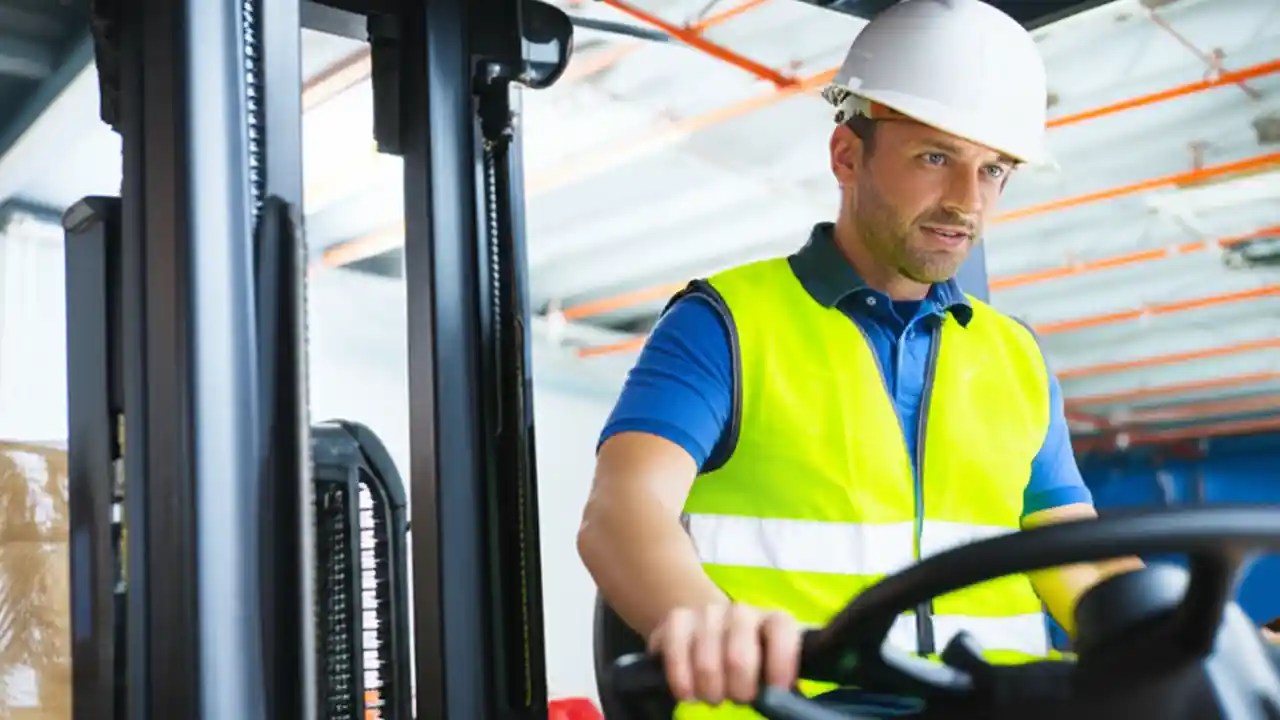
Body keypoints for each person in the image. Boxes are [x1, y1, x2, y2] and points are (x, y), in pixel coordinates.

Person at [576, 0, 1172, 715]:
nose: (966, 202)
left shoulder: (1013, 354)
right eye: (935, 157)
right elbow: (624, 508)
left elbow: (1077, 557)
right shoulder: (725, 324)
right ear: (847, 155)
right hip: (787, 706)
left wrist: (1195, 638)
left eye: (994, 171)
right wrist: (699, 616)